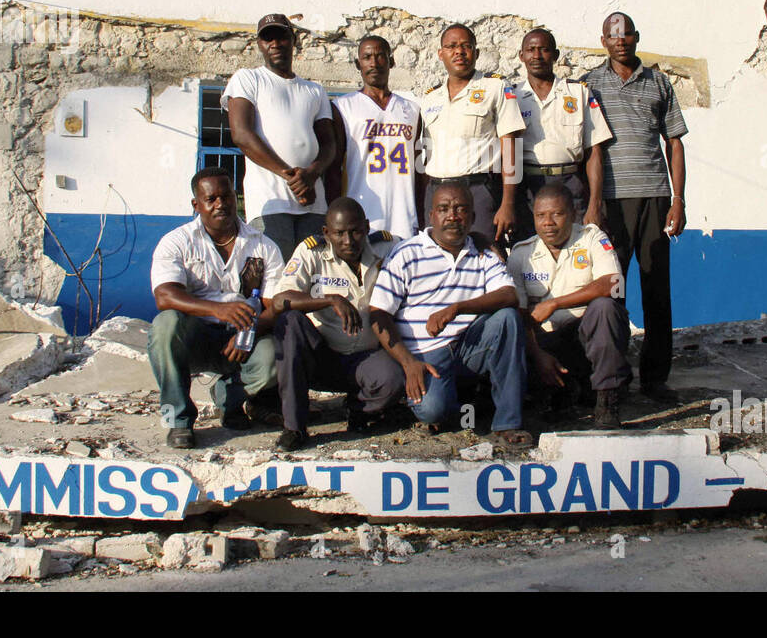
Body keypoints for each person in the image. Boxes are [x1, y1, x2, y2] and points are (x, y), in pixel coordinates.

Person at [368, 181, 532, 446]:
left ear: (473, 217)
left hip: (469, 347)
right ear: (431, 216)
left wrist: (457, 309)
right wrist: (408, 363)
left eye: (461, 209)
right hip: (425, 355)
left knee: (507, 319)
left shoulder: (482, 254)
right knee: (434, 411)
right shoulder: (406, 253)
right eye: (443, 209)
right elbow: (378, 314)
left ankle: (507, 423)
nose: (452, 216)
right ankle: (461, 400)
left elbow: (509, 295)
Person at [582, 11, 687, 404]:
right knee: (613, 291)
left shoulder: (659, 83)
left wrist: (678, 200)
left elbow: (674, 143)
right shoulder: (589, 85)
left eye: (626, 34)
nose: (620, 40)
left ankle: (656, 380)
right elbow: (586, 148)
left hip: (656, 199)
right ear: (603, 41)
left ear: (637, 38)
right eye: (613, 35)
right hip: (609, 202)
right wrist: (592, 205)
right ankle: (615, 379)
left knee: (657, 289)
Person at [147, 167, 283, 449]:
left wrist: (252, 330)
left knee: (272, 358)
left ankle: (231, 401)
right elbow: (165, 295)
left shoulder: (263, 245)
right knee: (164, 325)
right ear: (196, 205)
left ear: (236, 198)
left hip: (243, 337)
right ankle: (179, 420)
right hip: (197, 336)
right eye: (211, 199)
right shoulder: (177, 242)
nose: (220, 204)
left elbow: (273, 304)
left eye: (227, 196)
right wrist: (217, 309)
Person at [270, 197, 406, 451]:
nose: (348, 241)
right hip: (322, 357)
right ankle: (294, 427)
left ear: (366, 227)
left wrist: (479, 239)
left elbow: (425, 251)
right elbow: (281, 299)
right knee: (290, 322)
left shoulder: (388, 246)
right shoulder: (311, 251)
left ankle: (358, 410)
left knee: (393, 380)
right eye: (339, 233)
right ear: (326, 232)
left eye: (355, 231)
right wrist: (329, 299)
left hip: (368, 356)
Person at [508, 183, 631, 428]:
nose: (548, 223)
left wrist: (554, 303)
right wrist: (538, 355)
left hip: (587, 339)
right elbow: (519, 315)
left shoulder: (592, 237)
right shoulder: (521, 253)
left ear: (573, 213)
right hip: (546, 346)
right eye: (540, 215)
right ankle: (565, 393)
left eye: (557, 214)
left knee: (605, 308)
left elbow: (613, 283)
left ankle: (607, 401)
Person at [222, 13, 336, 261]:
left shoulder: (314, 90)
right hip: (271, 203)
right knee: (276, 281)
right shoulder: (248, 79)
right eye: (267, 38)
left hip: (313, 203)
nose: (275, 43)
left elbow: (329, 144)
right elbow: (242, 135)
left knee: (313, 279)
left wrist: (311, 174)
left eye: (281, 36)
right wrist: (293, 178)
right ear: (260, 44)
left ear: (293, 40)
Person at [417, 24, 525, 243]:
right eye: (452, 46)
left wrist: (508, 204)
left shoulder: (495, 87)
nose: (459, 51)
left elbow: (511, 147)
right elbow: (424, 155)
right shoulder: (430, 98)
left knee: (483, 253)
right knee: (436, 260)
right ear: (441, 53)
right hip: (437, 192)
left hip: (478, 192)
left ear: (476, 53)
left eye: (466, 46)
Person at [513, 28, 612, 240]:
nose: (537, 56)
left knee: (576, 250)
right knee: (530, 253)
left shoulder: (578, 93)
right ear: (521, 56)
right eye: (530, 50)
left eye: (544, 50)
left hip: (570, 184)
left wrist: (595, 203)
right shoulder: (512, 97)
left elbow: (594, 150)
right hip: (528, 187)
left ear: (555, 55)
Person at [328, 35, 421, 239]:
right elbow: (333, 168)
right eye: (367, 57)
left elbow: (420, 167)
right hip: (360, 214)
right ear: (357, 63)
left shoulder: (412, 109)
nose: (374, 62)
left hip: (404, 215)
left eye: (380, 56)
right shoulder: (343, 107)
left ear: (391, 61)